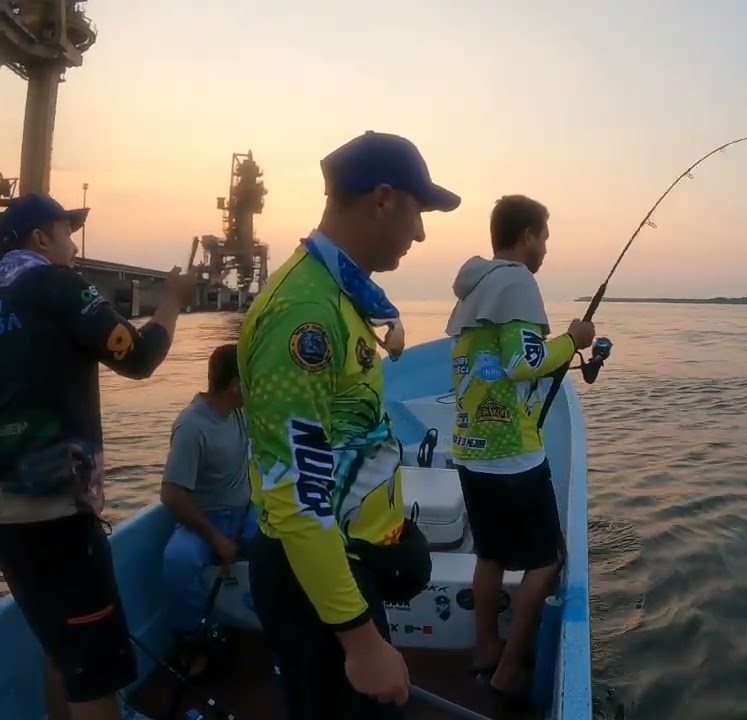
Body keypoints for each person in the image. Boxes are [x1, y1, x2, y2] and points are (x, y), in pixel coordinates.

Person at [238, 131, 459, 719]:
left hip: (341, 559)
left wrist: (390, 326)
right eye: (418, 213)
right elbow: (298, 496)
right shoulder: (305, 317)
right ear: (383, 200)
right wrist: (361, 643)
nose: (420, 233)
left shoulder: (338, 291)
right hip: (317, 579)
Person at [0, 192, 195, 720]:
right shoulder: (56, 283)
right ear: (41, 239)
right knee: (96, 676)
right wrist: (174, 298)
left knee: (61, 648)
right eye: (66, 231)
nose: (71, 242)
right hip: (59, 516)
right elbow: (140, 357)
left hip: (9, 523)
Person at [444, 194, 595, 702]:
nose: (546, 247)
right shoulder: (517, 282)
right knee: (548, 559)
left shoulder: (475, 288)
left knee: (489, 554)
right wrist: (574, 340)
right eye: (544, 236)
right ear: (526, 234)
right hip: (512, 453)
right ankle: (508, 670)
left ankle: (484, 648)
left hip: (470, 448)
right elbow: (525, 362)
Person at [159, 343, 256, 677]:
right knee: (178, 560)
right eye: (250, 378)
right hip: (206, 521)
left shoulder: (240, 411)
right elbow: (171, 495)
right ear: (234, 385)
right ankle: (193, 641)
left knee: (292, 542)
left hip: (247, 514)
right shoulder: (191, 427)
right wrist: (216, 539)